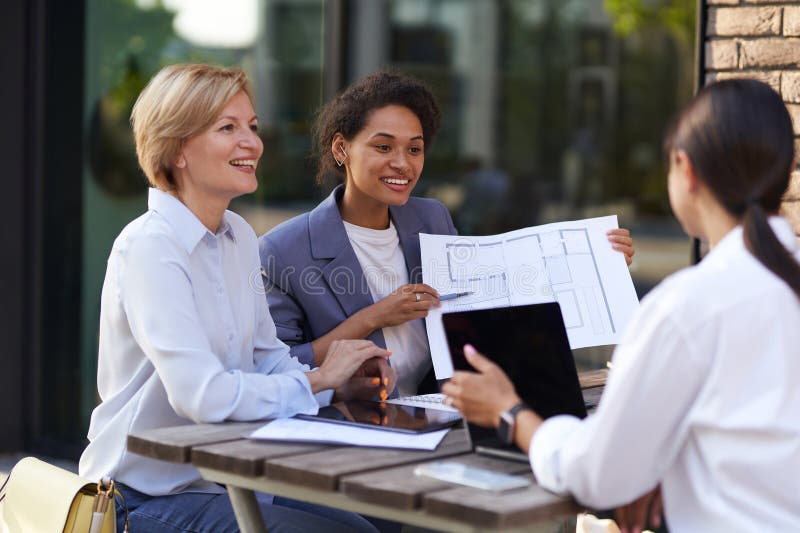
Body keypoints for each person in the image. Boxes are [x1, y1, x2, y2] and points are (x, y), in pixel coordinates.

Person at [442, 78, 800, 532]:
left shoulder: (687, 306)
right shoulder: (763, 283)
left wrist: (509, 411)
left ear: (686, 169)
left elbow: (595, 475)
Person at [78, 63, 392, 533]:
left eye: (252, 126)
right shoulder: (149, 247)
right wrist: (317, 380)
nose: (253, 143)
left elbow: (267, 357)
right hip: (137, 498)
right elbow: (202, 397)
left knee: (367, 527)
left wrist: (337, 384)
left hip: (225, 481)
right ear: (177, 149)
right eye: (228, 128)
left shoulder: (239, 236)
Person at [260, 71, 636, 398]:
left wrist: (597, 260)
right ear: (341, 148)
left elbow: (490, 300)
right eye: (383, 146)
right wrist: (373, 318)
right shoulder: (282, 250)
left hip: (440, 412)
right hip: (346, 424)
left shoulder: (431, 218)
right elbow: (275, 367)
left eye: (415, 149)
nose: (402, 163)